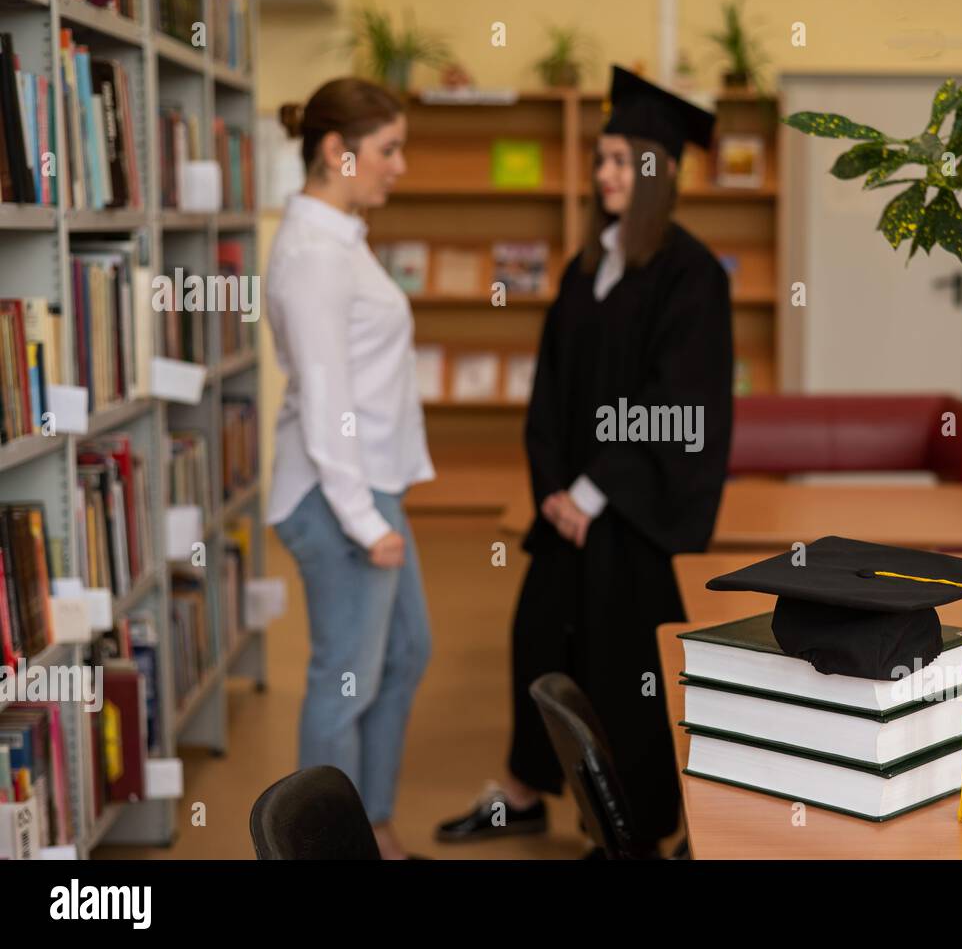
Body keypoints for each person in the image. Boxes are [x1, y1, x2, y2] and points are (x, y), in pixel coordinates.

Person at [436, 66, 734, 850]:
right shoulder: (585, 265)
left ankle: (629, 834)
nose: (603, 174)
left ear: (656, 169)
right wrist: (552, 495)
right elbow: (552, 395)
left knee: (624, 674)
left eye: (618, 160)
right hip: (567, 512)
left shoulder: (691, 276)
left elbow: (679, 407)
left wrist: (593, 495)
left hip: (633, 518)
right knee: (538, 639)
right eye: (598, 159)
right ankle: (522, 792)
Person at [267, 78, 434, 860]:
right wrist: (366, 522)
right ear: (339, 154)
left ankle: (373, 824)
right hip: (341, 498)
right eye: (388, 150)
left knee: (405, 653)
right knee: (345, 681)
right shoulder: (311, 254)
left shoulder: (341, 234)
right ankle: (324, 855)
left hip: (372, 488)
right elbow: (329, 399)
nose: (400, 166)